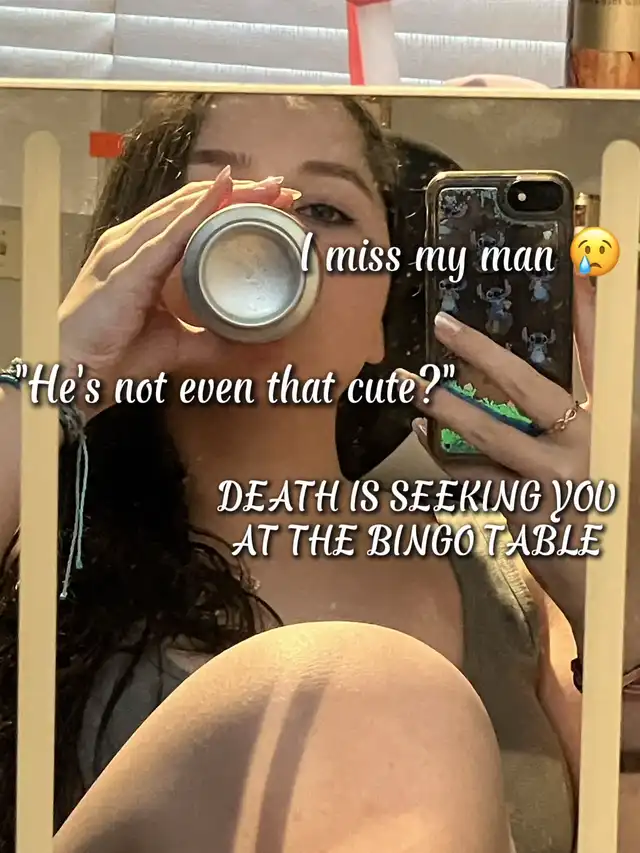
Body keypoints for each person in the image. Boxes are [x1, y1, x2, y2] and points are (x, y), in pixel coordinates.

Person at [0, 91, 638, 853]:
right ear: (129, 264)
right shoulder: (37, 562)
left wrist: (618, 603)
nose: (272, 238)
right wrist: (57, 375)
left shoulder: (517, 585)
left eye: (326, 212)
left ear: (381, 320)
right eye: (214, 204)